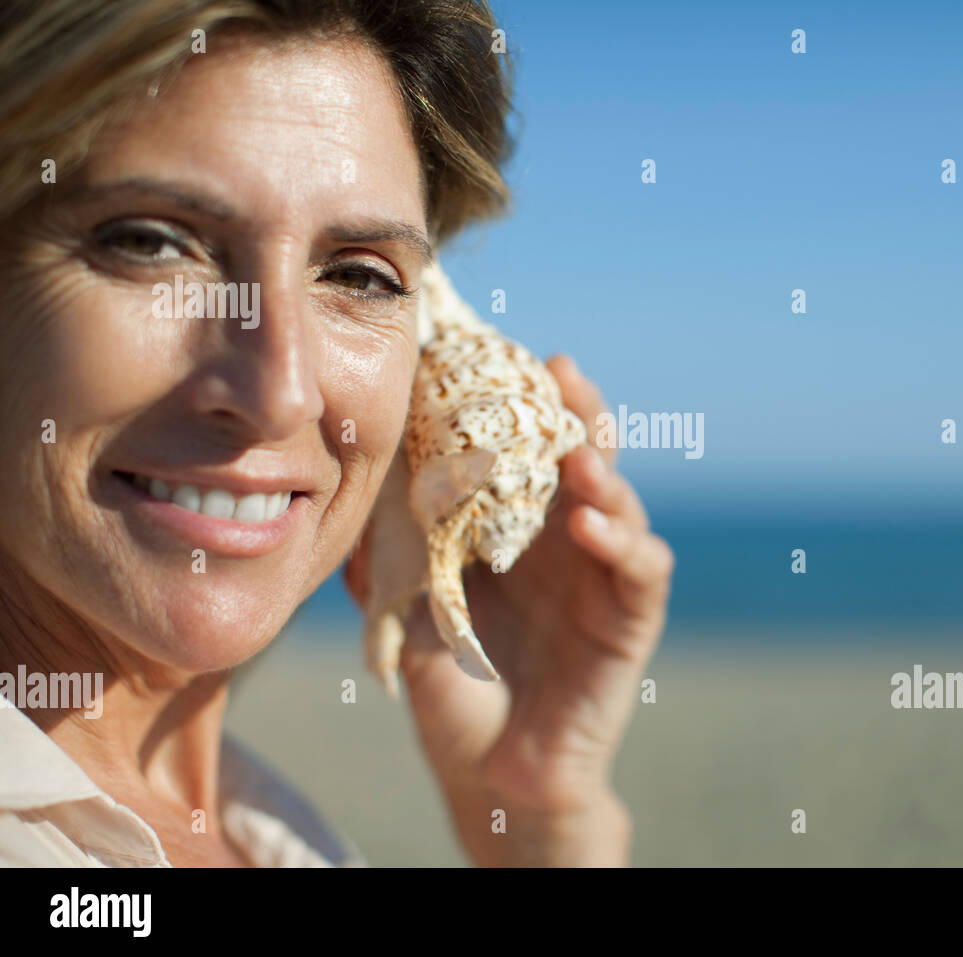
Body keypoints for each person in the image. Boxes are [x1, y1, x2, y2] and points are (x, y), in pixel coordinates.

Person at [0, 0, 672, 867]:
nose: (278, 393)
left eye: (358, 275)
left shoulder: (267, 829)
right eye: (153, 242)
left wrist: (536, 816)